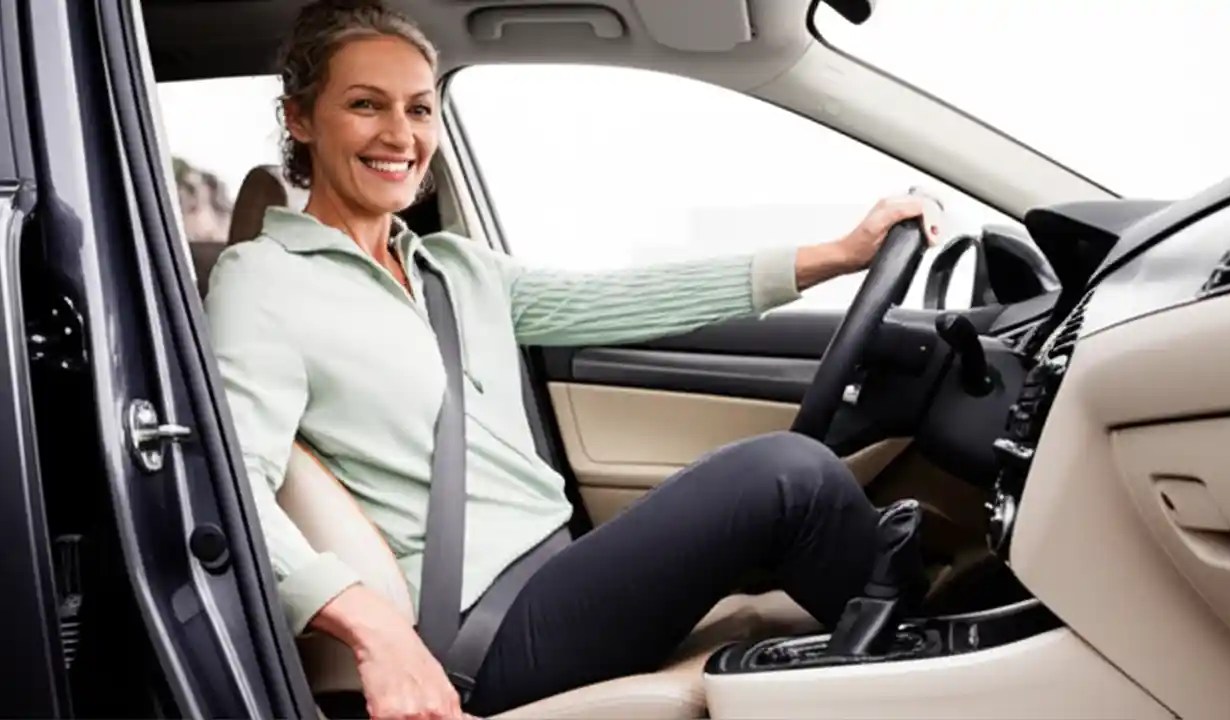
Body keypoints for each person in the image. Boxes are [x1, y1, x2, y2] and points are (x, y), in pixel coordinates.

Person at [203, 1, 943, 718]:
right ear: (300, 119)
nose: (401, 134)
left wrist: (840, 256)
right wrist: (372, 628)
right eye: (366, 105)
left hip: (557, 571)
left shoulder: (454, 268)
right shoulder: (263, 281)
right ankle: (952, 680)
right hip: (479, 635)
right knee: (790, 477)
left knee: (788, 488)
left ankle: (931, 658)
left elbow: (630, 298)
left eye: (420, 108)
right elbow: (231, 488)